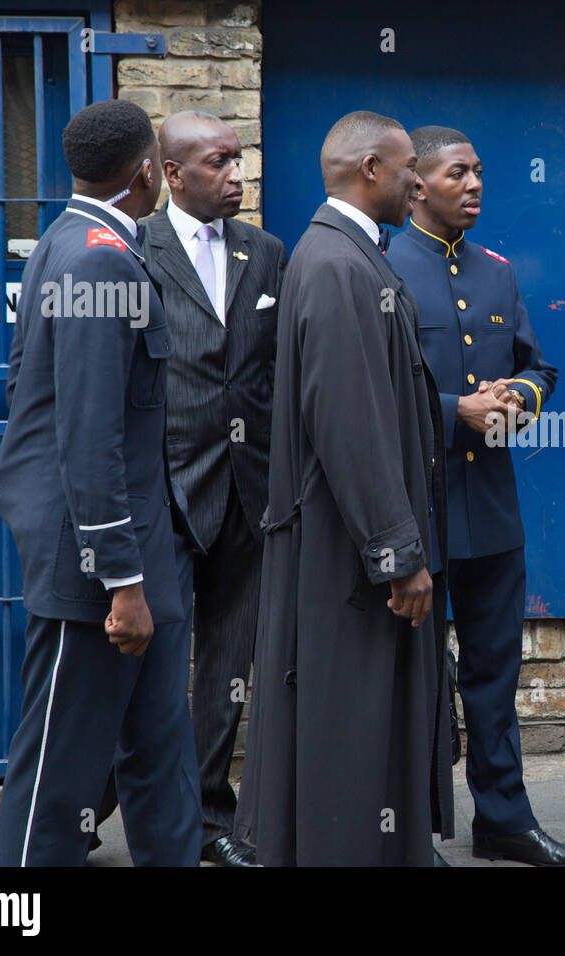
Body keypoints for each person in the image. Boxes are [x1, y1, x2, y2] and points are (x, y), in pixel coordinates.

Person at [232, 110, 453, 866]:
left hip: (348, 548)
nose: (417, 181)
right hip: (346, 560)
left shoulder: (345, 255)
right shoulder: (336, 265)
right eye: (408, 167)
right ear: (370, 170)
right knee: (348, 738)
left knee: (364, 735)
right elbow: (349, 423)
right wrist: (397, 554)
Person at [0, 99, 203, 866]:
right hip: (101, 565)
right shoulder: (96, 258)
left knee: (160, 755)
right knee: (59, 773)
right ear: (147, 172)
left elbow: (25, 387)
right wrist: (120, 578)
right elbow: (87, 434)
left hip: (144, 546)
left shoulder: (72, 240)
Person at [386, 126, 565, 867]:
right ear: (416, 185)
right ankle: (409, 831)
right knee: (413, 677)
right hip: (417, 508)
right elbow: (371, 387)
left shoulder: (497, 272)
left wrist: (519, 398)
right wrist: (454, 411)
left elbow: (541, 368)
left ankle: (504, 820)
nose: (474, 185)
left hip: (492, 510)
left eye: (478, 172)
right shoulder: (383, 267)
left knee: (495, 674)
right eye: (457, 173)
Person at [92, 111, 287, 866]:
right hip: (165, 493)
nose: (238, 174)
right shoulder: (132, 250)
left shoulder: (265, 252)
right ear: (171, 174)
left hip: (247, 489)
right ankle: (86, 807)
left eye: (239, 159)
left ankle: (208, 815)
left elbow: (275, 370)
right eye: (220, 162)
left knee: (228, 667)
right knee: (147, 670)